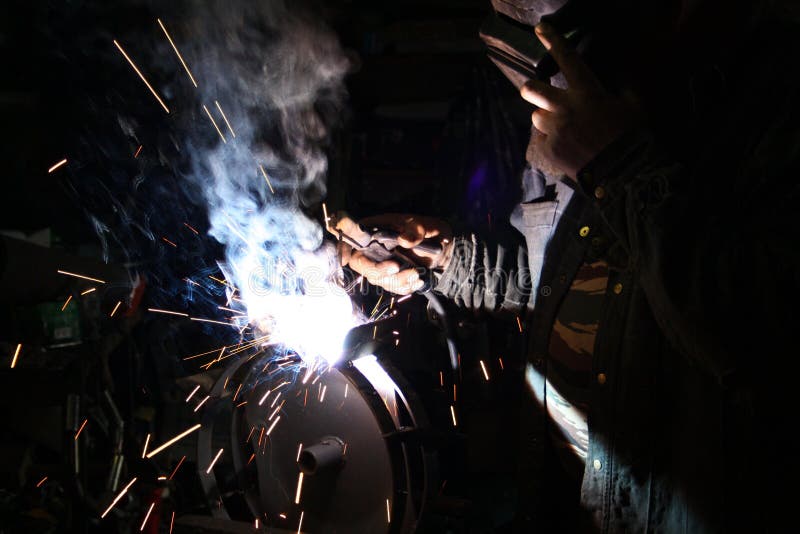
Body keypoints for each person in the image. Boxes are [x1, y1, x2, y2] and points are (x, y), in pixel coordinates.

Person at [336, 0, 799, 531]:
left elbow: (760, 326)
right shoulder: (584, 96)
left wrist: (616, 163)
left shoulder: (777, 102)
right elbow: (563, 275)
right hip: (564, 504)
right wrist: (445, 258)